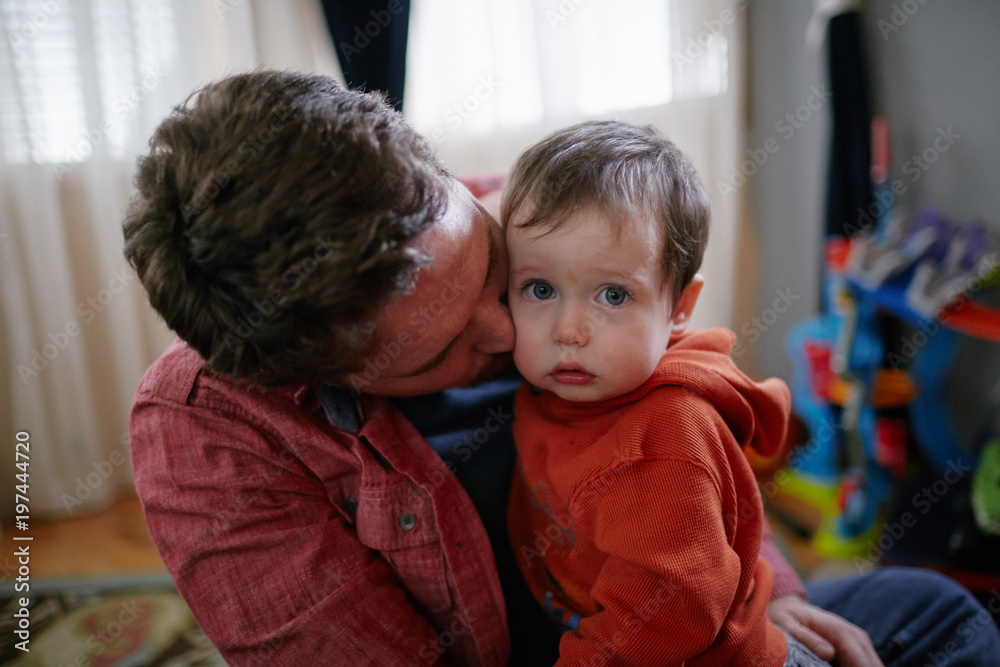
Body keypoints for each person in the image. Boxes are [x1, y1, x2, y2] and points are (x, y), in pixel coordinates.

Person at [123, 70, 1000, 666]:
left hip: (674, 621)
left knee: (944, 614)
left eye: (500, 277)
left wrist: (760, 588)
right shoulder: (206, 435)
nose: (521, 330)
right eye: (444, 351)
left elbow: (684, 429)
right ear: (320, 373)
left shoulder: (542, 219)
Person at [500, 121, 825, 665]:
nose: (568, 330)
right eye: (540, 289)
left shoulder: (666, 438)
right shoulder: (560, 381)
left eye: (612, 294)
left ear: (679, 309)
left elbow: (664, 614)